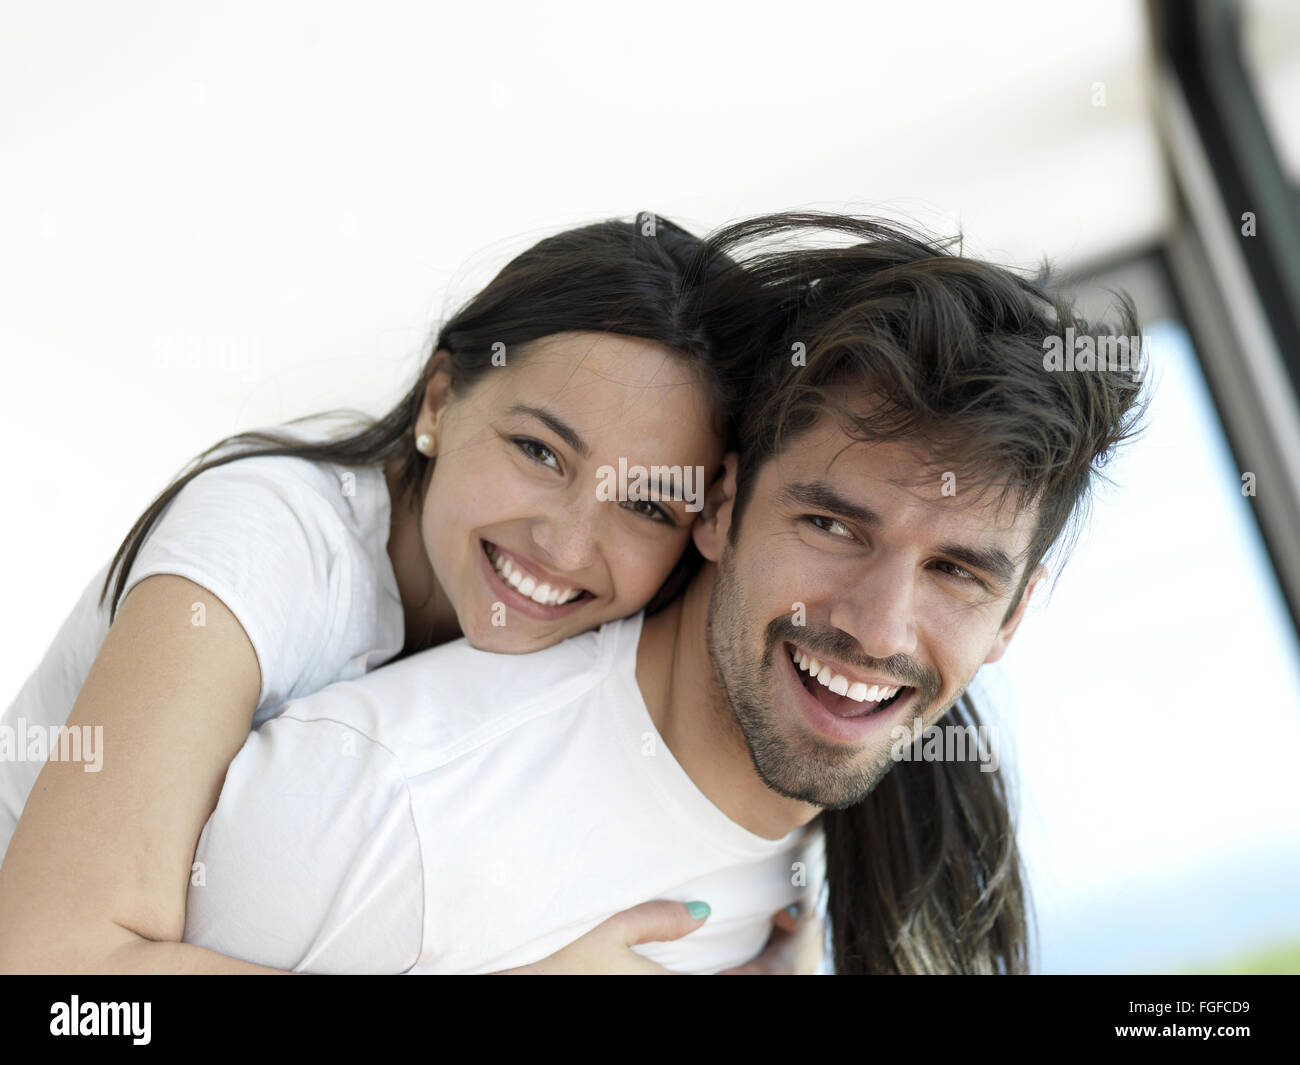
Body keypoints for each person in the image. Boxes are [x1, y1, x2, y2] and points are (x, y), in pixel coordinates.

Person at [161, 214, 1145, 974]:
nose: (875, 627)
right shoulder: (378, 795)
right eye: (832, 527)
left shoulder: (853, 857)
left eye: (956, 572)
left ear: (1014, 617)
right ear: (718, 509)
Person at [0, 212, 812, 973]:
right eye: (539, 451)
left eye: (645, 505)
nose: (566, 545)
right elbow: (64, 980)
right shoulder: (262, 540)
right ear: (438, 401)